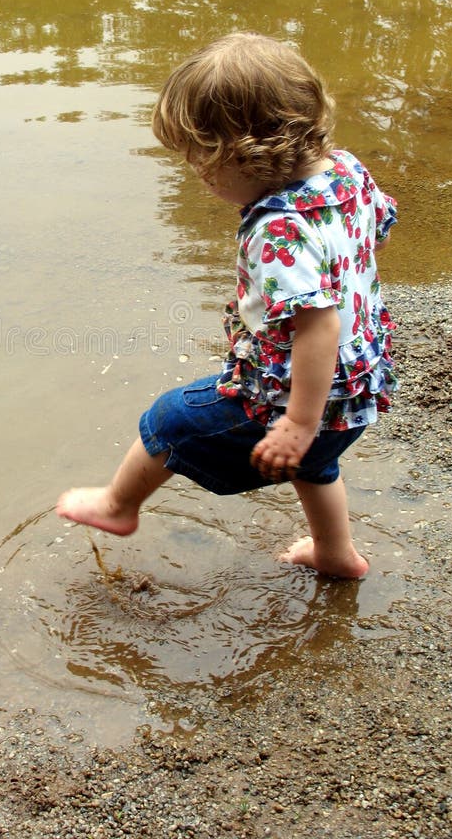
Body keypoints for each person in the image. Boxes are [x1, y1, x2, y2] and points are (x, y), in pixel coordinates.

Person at [56, 32, 397, 579]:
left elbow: (318, 327)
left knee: (169, 420)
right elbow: (374, 231)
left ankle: (117, 507)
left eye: (201, 164)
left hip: (301, 394)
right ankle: (336, 555)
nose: (199, 177)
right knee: (317, 463)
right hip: (357, 385)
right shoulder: (346, 171)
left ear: (244, 154)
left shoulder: (278, 230)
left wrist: (296, 422)